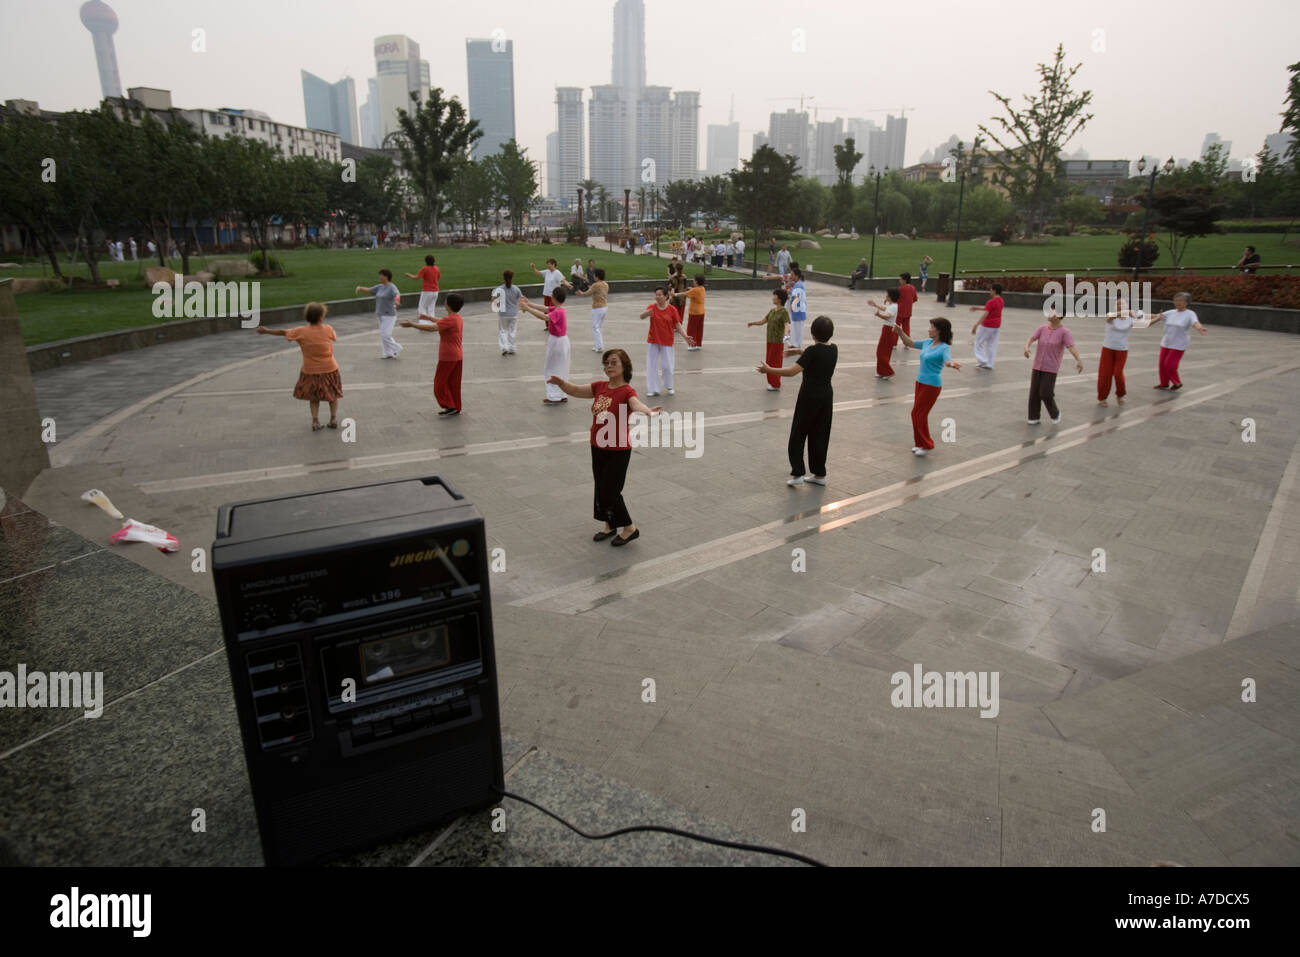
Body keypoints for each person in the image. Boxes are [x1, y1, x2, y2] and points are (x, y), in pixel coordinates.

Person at [546, 348, 661, 547]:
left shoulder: (626, 391)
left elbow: (635, 404)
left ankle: (629, 528)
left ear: (624, 366)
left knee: (611, 490)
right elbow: (575, 390)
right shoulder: (600, 387)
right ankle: (609, 525)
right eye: (606, 363)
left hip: (618, 449)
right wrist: (562, 384)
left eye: (613, 362)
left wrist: (647, 411)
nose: (609, 366)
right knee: (601, 487)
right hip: (597, 445)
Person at [757, 315, 837, 486]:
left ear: (813, 333)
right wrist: (801, 351)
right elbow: (818, 354)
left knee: (798, 434)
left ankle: (798, 473)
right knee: (820, 434)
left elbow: (792, 371)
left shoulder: (812, 352)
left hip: (809, 396)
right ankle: (819, 474)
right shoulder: (833, 349)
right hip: (826, 396)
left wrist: (769, 369)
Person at [255, 302, 342, 431]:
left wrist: (266, 331)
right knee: (333, 395)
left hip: (310, 370)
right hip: (330, 368)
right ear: (321, 317)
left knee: (314, 397)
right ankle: (333, 418)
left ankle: (315, 421)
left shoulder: (301, 331)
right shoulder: (328, 329)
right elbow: (334, 337)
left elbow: (283, 332)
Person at [896, 317, 962, 456]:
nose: (929, 329)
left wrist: (952, 364)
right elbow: (910, 343)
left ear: (939, 331)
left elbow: (947, 360)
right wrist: (900, 332)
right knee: (919, 414)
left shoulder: (944, 347)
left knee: (918, 414)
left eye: (932, 327)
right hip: (920, 382)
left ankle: (926, 444)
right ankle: (920, 443)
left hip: (932, 385)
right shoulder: (927, 342)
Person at [400, 292, 465, 416]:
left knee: (439, 384)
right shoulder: (457, 318)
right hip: (457, 356)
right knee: (453, 383)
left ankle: (450, 406)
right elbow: (442, 321)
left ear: (449, 305)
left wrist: (413, 325)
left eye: (446, 301)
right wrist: (429, 318)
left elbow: (433, 328)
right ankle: (455, 406)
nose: (444, 303)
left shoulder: (450, 320)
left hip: (448, 357)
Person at [1023, 310, 1084, 424]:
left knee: (1045, 393)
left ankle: (1055, 413)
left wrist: (1078, 360)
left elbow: (1071, 347)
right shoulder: (1042, 328)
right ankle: (1033, 418)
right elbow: (1031, 338)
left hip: (1051, 368)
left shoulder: (1065, 332)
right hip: (1037, 366)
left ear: (1059, 316)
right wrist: (1027, 347)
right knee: (1034, 393)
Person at [519, 287, 572, 404]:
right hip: (562, 341)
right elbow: (545, 309)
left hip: (557, 342)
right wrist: (529, 304)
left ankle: (554, 396)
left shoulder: (558, 311)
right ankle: (562, 394)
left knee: (551, 369)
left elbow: (544, 317)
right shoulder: (560, 309)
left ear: (554, 297)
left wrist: (527, 308)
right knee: (561, 368)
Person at [640, 286, 694, 396]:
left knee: (667, 366)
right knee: (651, 365)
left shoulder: (672, 310)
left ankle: (669, 386)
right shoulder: (652, 307)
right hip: (653, 340)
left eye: (660, 294)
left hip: (667, 341)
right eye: (656, 294)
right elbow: (641, 316)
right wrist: (647, 313)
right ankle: (653, 389)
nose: (657, 297)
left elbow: (677, 325)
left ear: (666, 296)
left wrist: (685, 337)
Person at [1149, 292, 1207, 390]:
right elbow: (1156, 316)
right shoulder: (1170, 312)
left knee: (1170, 365)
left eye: (1181, 300)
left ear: (1186, 302)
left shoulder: (1190, 314)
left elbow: (1195, 322)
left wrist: (1200, 328)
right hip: (1166, 342)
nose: (1178, 302)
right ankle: (1164, 383)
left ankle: (1177, 382)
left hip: (1179, 344)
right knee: (1162, 365)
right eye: (1176, 300)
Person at [748, 288, 790, 391]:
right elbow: (763, 321)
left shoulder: (784, 312)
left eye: (774, 295)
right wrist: (753, 323)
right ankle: (771, 382)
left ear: (779, 298)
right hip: (770, 341)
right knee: (769, 361)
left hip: (777, 342)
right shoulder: (772, 311)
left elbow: (787, 324)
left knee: (775, 362)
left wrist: (785, 334)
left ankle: (775, 384)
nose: (773, 297)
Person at [1098, 298, 1138, 406]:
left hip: (1122, 350)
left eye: (1122, 304)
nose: (1120, 305)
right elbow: (1109, 318)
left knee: (1118, 374)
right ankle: (1102, 398)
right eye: (1118, 304)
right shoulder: (1111, 314)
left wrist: (1158, 317)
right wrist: (1126, 312)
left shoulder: (1130, 319)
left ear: (1127, 306)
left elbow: (1145, 321)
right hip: (1107, 349)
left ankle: (1120, 395)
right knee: (1105, 374)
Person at [355, 268, 402, 358]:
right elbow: (369, 290)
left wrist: (397, 301)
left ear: (386, 276)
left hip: (389, 315)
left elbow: (397, 294)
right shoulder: (379, 287)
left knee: (386, 334)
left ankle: (397, 347)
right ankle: (387, 353)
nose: (379, 277)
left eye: (381, 275)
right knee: (383, 335)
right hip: (380, 314)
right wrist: (360, 288)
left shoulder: (392, 287)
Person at [572, 267, 610, 351]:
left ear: (597, 276)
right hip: (604, 307)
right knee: (599, 327)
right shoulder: (606, 284)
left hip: (597, 307)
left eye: (594, 275)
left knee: (595, 327)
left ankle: (599, 346)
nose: (593, 276)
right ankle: (598, 345)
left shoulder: (596, 285)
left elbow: (587, 293)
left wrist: (580, 293)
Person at [969, 282, 1004, 369]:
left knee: (978, 343)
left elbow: (986, 313)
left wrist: (976, 325)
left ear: (994, 291)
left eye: (991, 290)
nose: (990, 292)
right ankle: (989, 363)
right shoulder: (1001, 301)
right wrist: (977, 308)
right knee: (991, 344)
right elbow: (990, 309)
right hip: (996, 326)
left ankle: (983, 360)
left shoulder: (991, 301)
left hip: (987, 325)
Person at [868, 288, 901, 379]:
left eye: (887, 295)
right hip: (886, 329)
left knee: (882, 352)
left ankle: (888, 372)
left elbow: (887, 316)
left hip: (889, 330)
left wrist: (879, 315)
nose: (886, 297)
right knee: (882, 351)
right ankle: (881, 371)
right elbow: (884, 308)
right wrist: (875, 305)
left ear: (891, 297)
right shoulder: (892, 305)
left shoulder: (894, 307)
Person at [671, 273, 707, 351]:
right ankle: (698, 344)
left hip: (694, 312)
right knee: (699, 329)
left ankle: (692, 345)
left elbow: (684, 294)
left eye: (694, 280)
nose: (693, 281)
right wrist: (691, 289)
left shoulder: (695, 290)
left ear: (696, 282)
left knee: (691, 329)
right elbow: (693, 291)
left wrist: (675, 294)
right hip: (701, 312)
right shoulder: (702, 288)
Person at [492, 269, 522, 355]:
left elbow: (493, 299)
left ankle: (504, 347)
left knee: (503, 331)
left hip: (503, 314)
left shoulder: (499, 289)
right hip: (514, 313)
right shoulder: (516, 289)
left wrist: (498, 305)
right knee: (512, 331)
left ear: (503, 278)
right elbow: (521, 299)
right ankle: (512, 348)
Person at [787, 267, 808, 347]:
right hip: (798, 310)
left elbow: (797, 297)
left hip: (798, 310)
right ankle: (795, 344)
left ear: (797, 276)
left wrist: (792, 306)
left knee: (798, 329)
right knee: (795, 328)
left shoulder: (798, 285)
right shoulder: (798, 284)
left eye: (792, 275)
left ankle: (797, 344)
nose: (790, 276)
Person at [896, 271, 918, 341]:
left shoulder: (900, 289)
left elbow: (895, 299)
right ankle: (907, 343)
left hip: (899, 311)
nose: (899, 280)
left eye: (900, 279)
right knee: (906, 327)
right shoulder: (913, 288)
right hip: (908, 311)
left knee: (896, 327)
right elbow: (915, 299)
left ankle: (894, 344)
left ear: (904, 280)